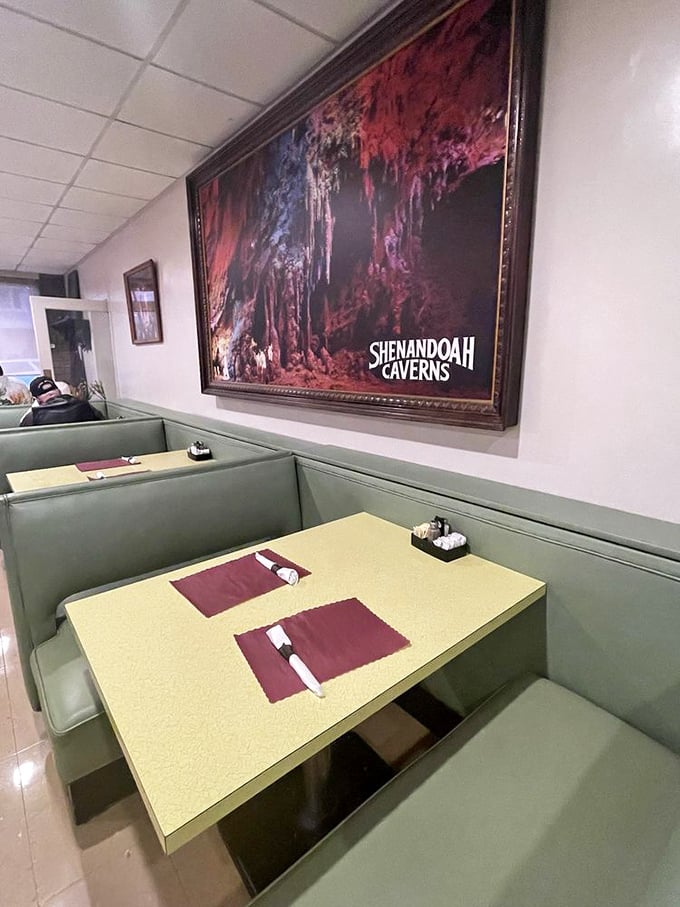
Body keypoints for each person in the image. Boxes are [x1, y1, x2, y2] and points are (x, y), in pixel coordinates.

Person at [20, 376, 104, 426]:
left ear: (37, 400)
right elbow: (104, 426)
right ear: (59, 391)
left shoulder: (31, 418)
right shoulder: (85, 406)